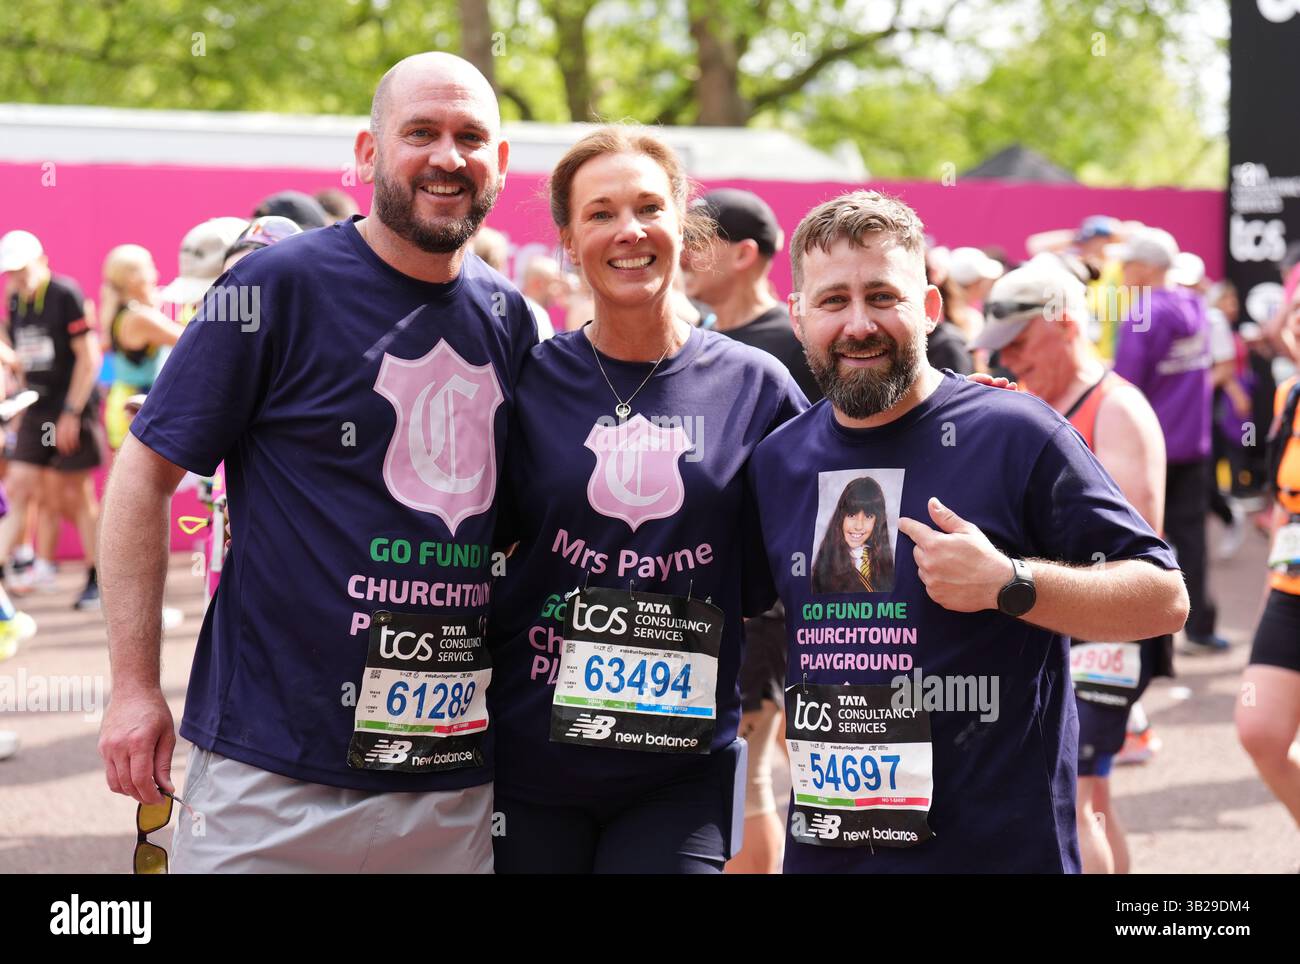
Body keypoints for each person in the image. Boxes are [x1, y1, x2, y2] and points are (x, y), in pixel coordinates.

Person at [97, 51, 536, 873]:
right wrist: (132, 686)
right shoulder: (273, 285)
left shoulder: (509, 318)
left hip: (446, 775)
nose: (448, 156)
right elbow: (142, 475)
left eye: (470, 136)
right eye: (421, 133)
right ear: (368, 155)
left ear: (500, 163)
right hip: (272, 770)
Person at [747, 190, 1188, 873]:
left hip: (998, 853)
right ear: (800, 317)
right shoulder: (779, 460)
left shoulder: (1015, 432)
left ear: (928, 308)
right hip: (833, 851)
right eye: (833, 302)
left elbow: (1163, 598)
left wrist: (1010, 584)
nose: (859, 324)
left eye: (883, 297)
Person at [485, 125, 808, 874]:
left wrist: (958, 412)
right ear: (568, 240)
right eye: (600, 214)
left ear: (681, 224)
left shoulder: (755, 386)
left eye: (648, 208)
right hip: (532, 761)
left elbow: (840, 494)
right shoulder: (529, 383)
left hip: (681, 770)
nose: (628, 231)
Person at [977, 254, 1175, 874]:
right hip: (1047, 619)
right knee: (1090, 800)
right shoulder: (1025, 401)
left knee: (1079, 799)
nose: (1007, 359)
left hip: (1104, 627)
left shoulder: (1115, 407)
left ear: (1065, 323)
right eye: (998, 347)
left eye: (1020, 341)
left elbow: (1134, 550)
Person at [1112, 227, 1225, 653]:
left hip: (1148, 447)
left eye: (1126, 266)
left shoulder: (1144, 312)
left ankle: (1148, 637)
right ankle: (1199, 627)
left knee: (1140, 540)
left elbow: (1125, 384)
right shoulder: (1195, 303)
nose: (1121, 273)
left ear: (1141, 268)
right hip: (1193, 442)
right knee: (1192, 538)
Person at [0, 229, 106, 612]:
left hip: (72, 408)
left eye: (23, 269)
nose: (17, 277)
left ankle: (98, 578)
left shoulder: (65, 294)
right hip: (35, 409)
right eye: (11, 271)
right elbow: (21, 358)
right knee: (19, 487)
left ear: (42, 261)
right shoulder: (15, 299)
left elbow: (89, 357)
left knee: (74, 495)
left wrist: (71, 413)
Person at [1236, 284, 1300, 830]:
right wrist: (1266, 591)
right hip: (1290, 593)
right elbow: (1283, 506)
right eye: (1297, 309)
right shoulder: (1290, 394)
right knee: (1260, 730)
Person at [683, 188, 822, 402]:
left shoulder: (799, 341)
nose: (682, 255)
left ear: (743, 254)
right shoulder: (699, 336)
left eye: (697, 241)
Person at [100, 245, 187, 449]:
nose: (156, 274)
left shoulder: (127, 312)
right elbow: (189, 340)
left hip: (125, 404)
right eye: (149, 267)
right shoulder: (141, 317)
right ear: (131, 278)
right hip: (137, 407)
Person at [811, 475, 897, 593]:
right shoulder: (825, 566)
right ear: (841, 517)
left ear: (877, 521)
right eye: (851, 515)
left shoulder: (885, 564)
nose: (858, 526)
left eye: (868, 516)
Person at [518, 254, 559, 339]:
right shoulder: (537, 313)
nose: (558, 290)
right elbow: (545, 352)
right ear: (538, 284)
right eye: (554, 283)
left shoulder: (522, 309)